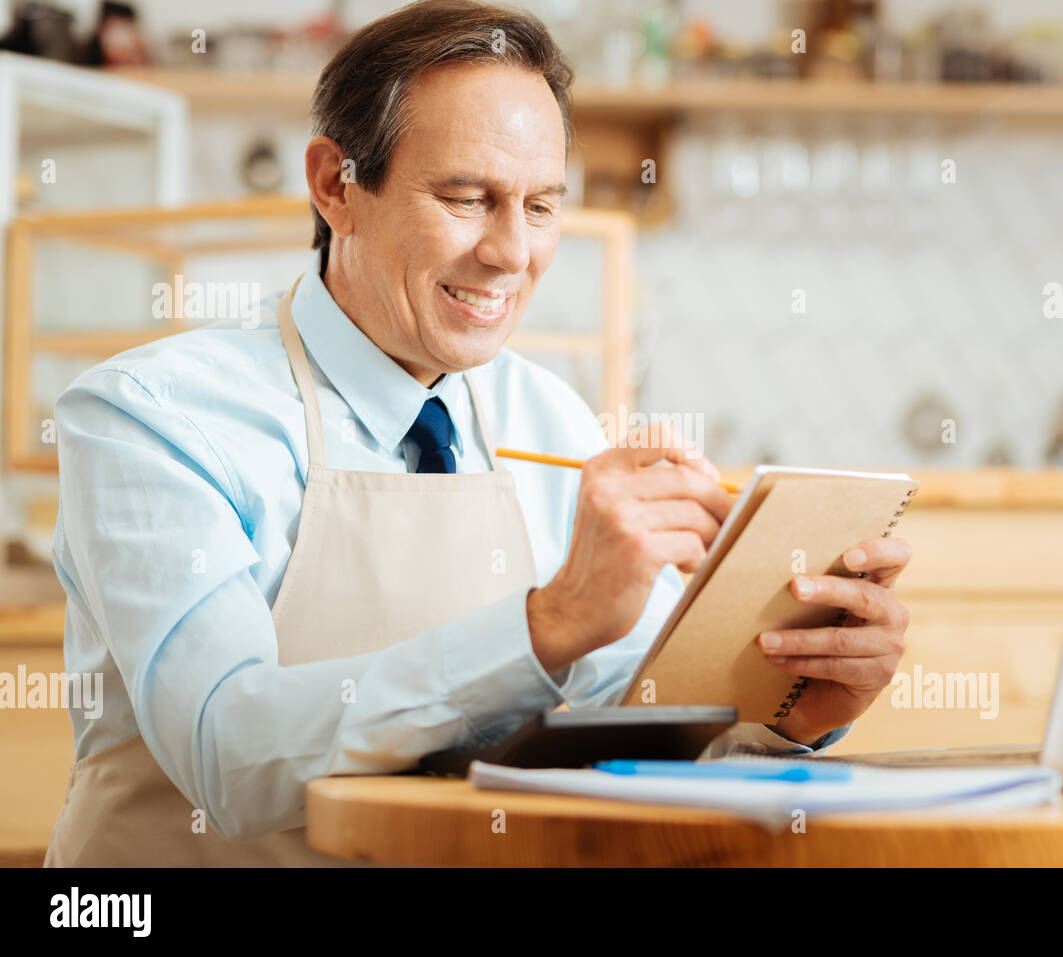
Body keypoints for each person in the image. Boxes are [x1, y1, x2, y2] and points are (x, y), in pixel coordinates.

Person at [44, 0, 913, 866]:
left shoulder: (552, 419)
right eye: (466, 197)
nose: (510, 252)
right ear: (334, 184)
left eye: (540, 206)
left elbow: (628, 730)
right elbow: (229, 755)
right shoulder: (150, 416)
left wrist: (797, 708)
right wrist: (552, 621)